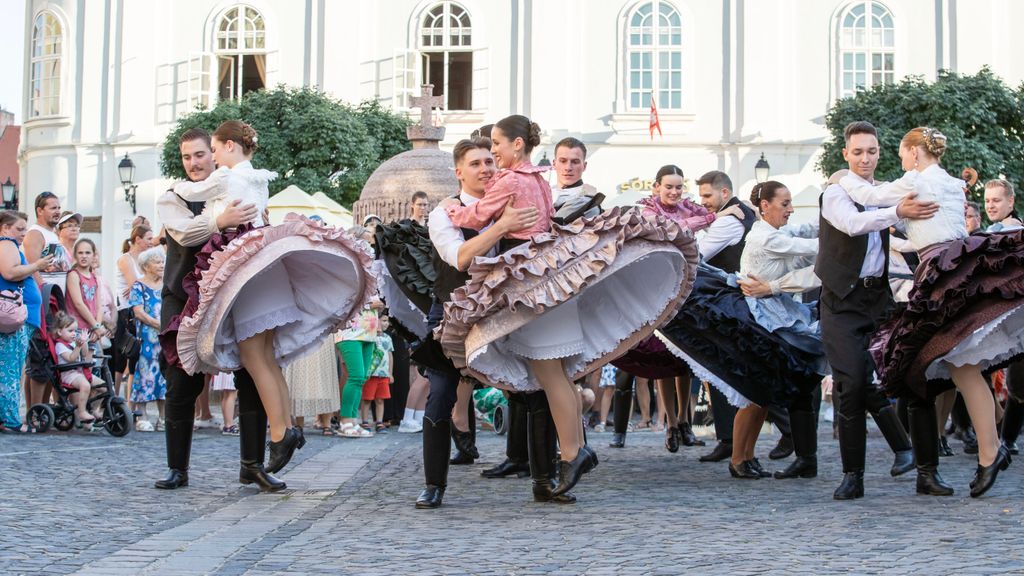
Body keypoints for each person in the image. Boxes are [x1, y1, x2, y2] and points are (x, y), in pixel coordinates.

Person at [438, 115, 698, 496]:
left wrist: (451, 210)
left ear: (517, 145)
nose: (492, 150)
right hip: (550, 281)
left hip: (534, 286)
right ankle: (576, 449)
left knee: (551, 376)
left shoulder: (510, 180)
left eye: (496, 143)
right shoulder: (540, 180)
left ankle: (573, 452)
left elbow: (476, 215)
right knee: (558, 375)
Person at [171, 120, 375, 475]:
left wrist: (174, 187)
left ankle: (280, 433)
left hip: (251, 274)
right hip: (270, 268)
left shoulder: (225, 177)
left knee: (255, 358)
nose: (212, 158)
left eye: (213, 150)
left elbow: (192, 193)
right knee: (266, 358)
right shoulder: (258, 178)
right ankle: (287, 429)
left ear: (229, 147)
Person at [839, 127, 1021, 497]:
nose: (901, 160)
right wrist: (896, 231)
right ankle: (989, 452)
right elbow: (927, 229)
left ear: (915, 153)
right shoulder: (952, 184)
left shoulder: (915, 181)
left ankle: (985, 451)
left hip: (940, 274)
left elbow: (868, 194)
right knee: (964, 366)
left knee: (955, 365)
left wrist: (843, 175)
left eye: (904, 154)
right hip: (957, 268)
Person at [416, 136, 547, 508]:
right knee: (441, 394)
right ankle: (433, 485)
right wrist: (502, 226)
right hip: (452, 312)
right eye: (476, 164)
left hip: (505, 313)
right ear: (459, 172)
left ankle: (544, 480)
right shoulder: (444, 212)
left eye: (490, 162)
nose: (486, 169)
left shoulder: (512, 203)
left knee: (536, 387)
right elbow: (459, 257)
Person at [817, 120, 939, 500]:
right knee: (851, 384)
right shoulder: (835, 193)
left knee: (914, 377)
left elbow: (906, 226)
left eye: (871, 151)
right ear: (845, 155)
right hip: (841, 302)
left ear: (879, 153)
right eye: (857, 152)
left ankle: (926, 472)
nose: (865, 158)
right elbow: (854, 224)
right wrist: (897, 212)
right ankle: (854, 475)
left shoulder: (887, 192)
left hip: (879, 299)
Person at [155, 127, 280, 491]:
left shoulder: (237, 186)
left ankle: (252, 466)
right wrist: (219, 221)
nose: (193, 163)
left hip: (234, 297)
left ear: (215, 155)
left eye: (199, 155)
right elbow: (185, 234)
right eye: (186, 157)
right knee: (181, 382)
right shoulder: (173, 196)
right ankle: (177, 468)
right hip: (183, 299)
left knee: (250, 377)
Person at [731, 181, 829, 480]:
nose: (790, 209)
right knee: (755, 392)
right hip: (761, 318)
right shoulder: (764, 237)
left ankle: (747, 456)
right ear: (765, 206)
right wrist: (840, 236)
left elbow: (802, 232)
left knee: (763, 393)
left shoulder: (772, 233)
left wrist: (830, 217)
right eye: (785, 203)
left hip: (774, 313)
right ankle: (738, 458)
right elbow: (808, 246)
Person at [0, 211, 51, 433]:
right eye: (19, 229)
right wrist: (36, 265)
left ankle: (6, 417)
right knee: (10, 369)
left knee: (10, 367)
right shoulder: (6, 244)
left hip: (18, 318)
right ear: (4, 228)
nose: (24, 233)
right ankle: (9, 419)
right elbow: (10, 272)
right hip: (15, 319)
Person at [130, 247, 167, 432]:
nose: (161, 265)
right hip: (147, 338)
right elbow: (138, 312)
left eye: (162, 261)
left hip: (165, 338)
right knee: (145, 373)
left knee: (164, 375)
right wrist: (158, 324)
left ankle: (163, 417)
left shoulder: (167, 284)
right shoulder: (139, 285)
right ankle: (142, 416)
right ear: (146, 266)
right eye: (157, 262)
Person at [50, 311, 102, 424]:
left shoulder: (74, 343)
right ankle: (82, 411)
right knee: (85, 385)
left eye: (75, 330)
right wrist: (78, 346)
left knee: (104, 386)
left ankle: (93, 409)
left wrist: (85, 343)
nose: (74, 334)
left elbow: (84, 354)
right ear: (59, 332)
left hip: (79, 372)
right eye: (70, 331)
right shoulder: (60, 345)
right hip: (68, 374)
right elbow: (71, 358)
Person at [66, 239, 110, 348]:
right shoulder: (74, 275)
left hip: (93, 329)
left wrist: (97, 327)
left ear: (94, 255)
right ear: (75, 255)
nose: (84, 256)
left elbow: (99, 306)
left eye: (87, 253)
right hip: (77, 329)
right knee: (81, 363)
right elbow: (78, 303)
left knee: (96, 363)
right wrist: (95, 326)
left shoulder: (94, 277)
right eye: (80, 253)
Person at [361, 315, 394, 433]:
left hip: (383, 374)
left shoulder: (388, 338)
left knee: (380, 399)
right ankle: (364, 422)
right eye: (384, 320)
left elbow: (390, 355)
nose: (386, 324)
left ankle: (379, 422)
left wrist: (390, 373)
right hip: (371, 374)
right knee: (367, 399)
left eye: (387, 321)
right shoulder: (369, 336)